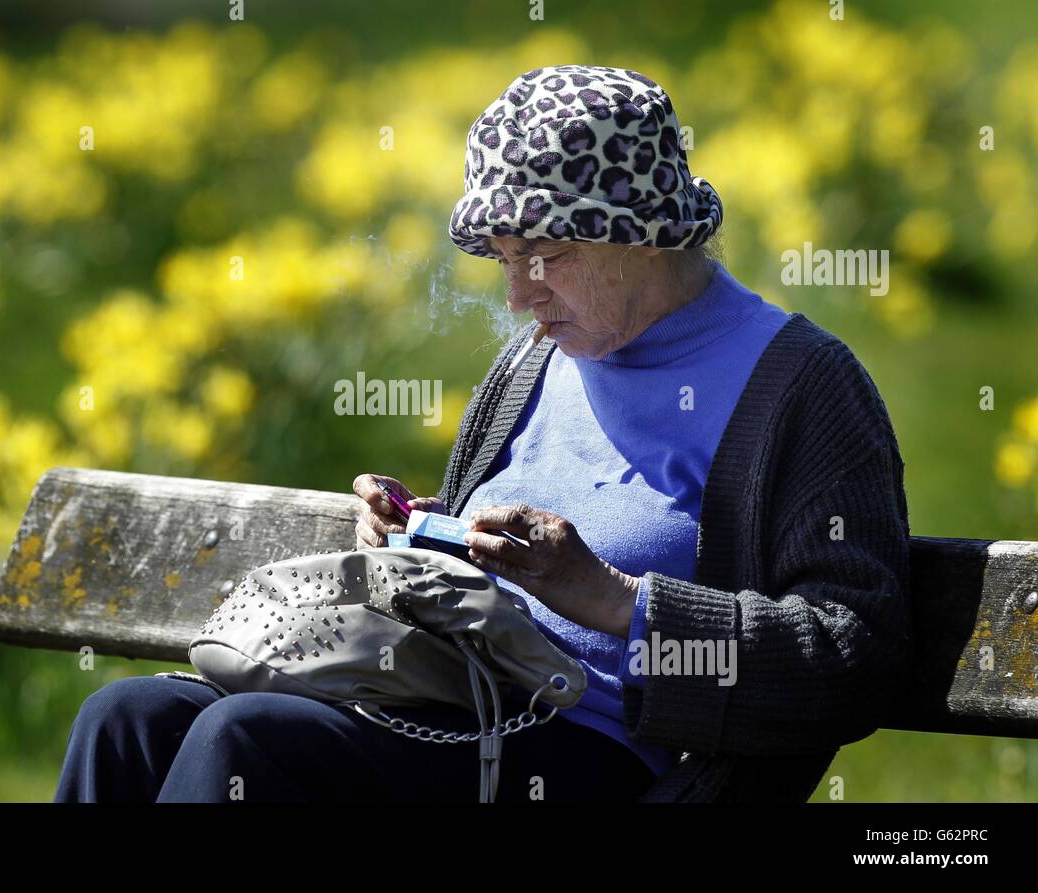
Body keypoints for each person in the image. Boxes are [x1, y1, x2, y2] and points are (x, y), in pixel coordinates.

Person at [55, 65, 911, 804]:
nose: (518, 297)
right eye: (506, 261)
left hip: (601, 756)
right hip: (450, 698)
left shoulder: (801, 386)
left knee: (249, 744)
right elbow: (475, 578)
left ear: (640, 233)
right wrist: (422, 534)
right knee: (126, 720)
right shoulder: (536, 365)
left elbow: (851, 655)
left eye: (542, 256)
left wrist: (618, 602)